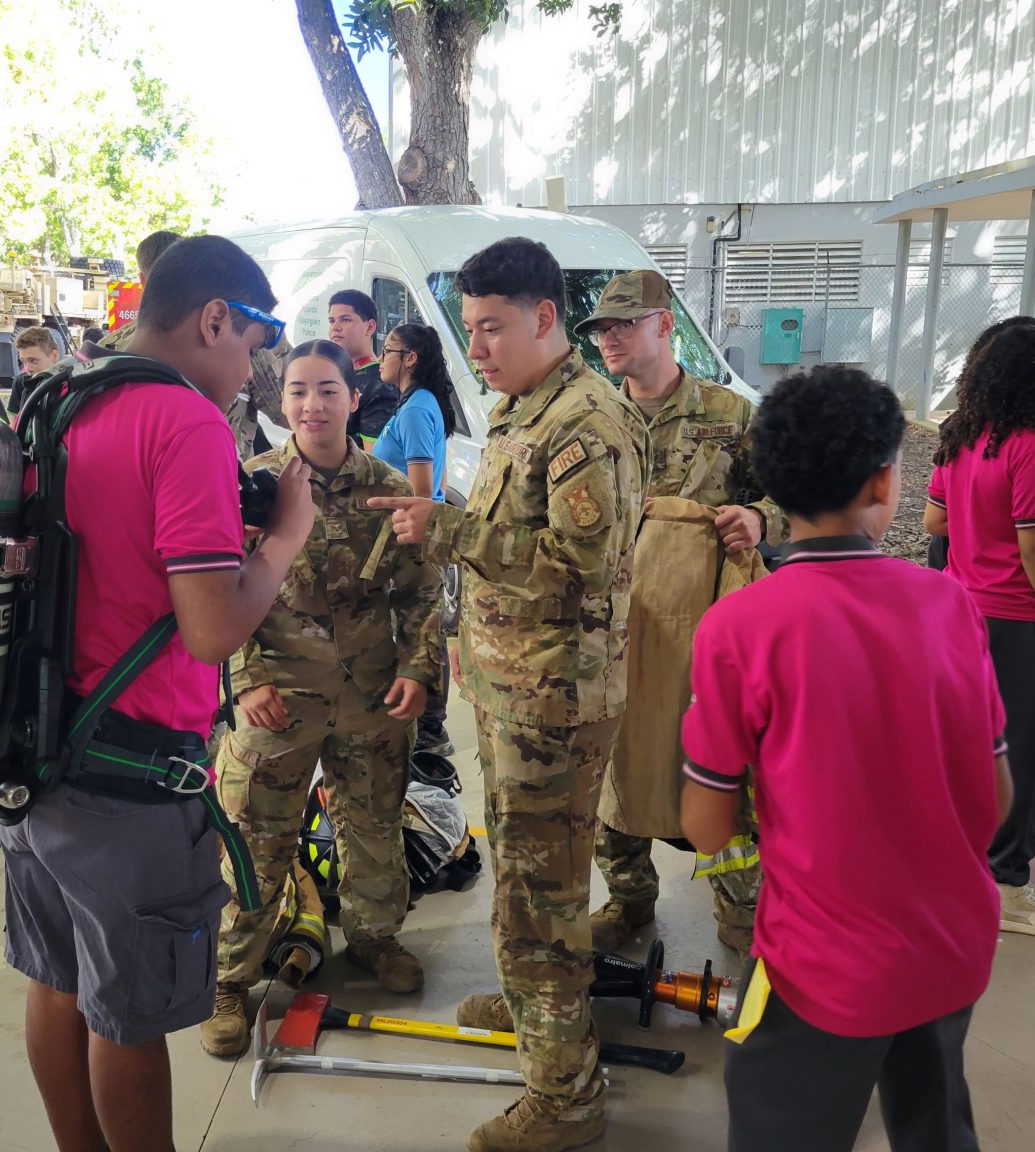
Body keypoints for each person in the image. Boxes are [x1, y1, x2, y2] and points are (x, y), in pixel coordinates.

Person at [0, 235, 315, 1152]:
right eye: (252, 342)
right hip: (129, 778)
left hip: (38, 750)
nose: (252, 366)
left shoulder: (58, 397)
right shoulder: (184, 424)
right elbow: (213, 626)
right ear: (214, 317)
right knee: (127, 1014)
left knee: (58, 981)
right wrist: (285, 536)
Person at [681, 365, 1009, 1152]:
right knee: (934, 1116)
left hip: (820, 963)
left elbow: (705, 826)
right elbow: (995, 796)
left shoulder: (740, 625)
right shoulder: (949, 603)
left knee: (780, 1123)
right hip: (951, 945)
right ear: (885, 480)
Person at [370, 237, 647, 1152]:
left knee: (540, 892)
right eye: (470, 328)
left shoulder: (583, 422)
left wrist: (448, 532)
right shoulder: (525, 407)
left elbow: (585, 570)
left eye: (493, 328)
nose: (477, 347)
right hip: (513, 687)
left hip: (553, 703)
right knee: (529, 876)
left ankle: (565, 1097)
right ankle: (542, 1011)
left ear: (543, 318)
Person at [201, 340, 443, 1058]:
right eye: (300, 391)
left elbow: (422, 590)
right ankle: (229, 980)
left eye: (328, 390)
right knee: (254, 842)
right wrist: (247, 681)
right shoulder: (255, 485)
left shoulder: (386, 485)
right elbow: (217, 586)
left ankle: (374, 940)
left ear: (353, 399)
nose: (313, 404)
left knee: (371, 827)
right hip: (281, 697)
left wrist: (421, 669)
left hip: (370, 696)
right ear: (283, 402)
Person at [575, 269, 782, 956]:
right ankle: (630, 899)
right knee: (613, 758)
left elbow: (785, 498)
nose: (608, 337)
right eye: (601, 327)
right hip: (612, 627)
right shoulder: (591, 415)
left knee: (719, 763)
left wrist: (758, 517)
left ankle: (739, 909)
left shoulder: (729, 413)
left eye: (623, 324)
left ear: (665, 325)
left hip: (707, 629)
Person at [925, 318, 1035, 939]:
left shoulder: (962, 436)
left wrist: (982, 522)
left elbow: (935, 521)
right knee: (1025, 754)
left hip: (964, 616)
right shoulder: (1031, 446)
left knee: (971, 753)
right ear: (1032, 378)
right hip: (1019, 626)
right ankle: (1006, 886)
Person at [373, 322, 456, 754]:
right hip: (402, 540)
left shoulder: (417, 409)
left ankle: (428, 736)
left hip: (414, 544)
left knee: (421, 635)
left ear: (409, 359)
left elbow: (424, 491)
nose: (380, 357)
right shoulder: (415, 405)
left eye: (387, 349)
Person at [328, 289, 398, 447]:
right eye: (332, 321)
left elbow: (375, 463)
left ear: (370, 327)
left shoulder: (380, 384)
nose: (335, 328)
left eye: (345, 320)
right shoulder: (335, 374)